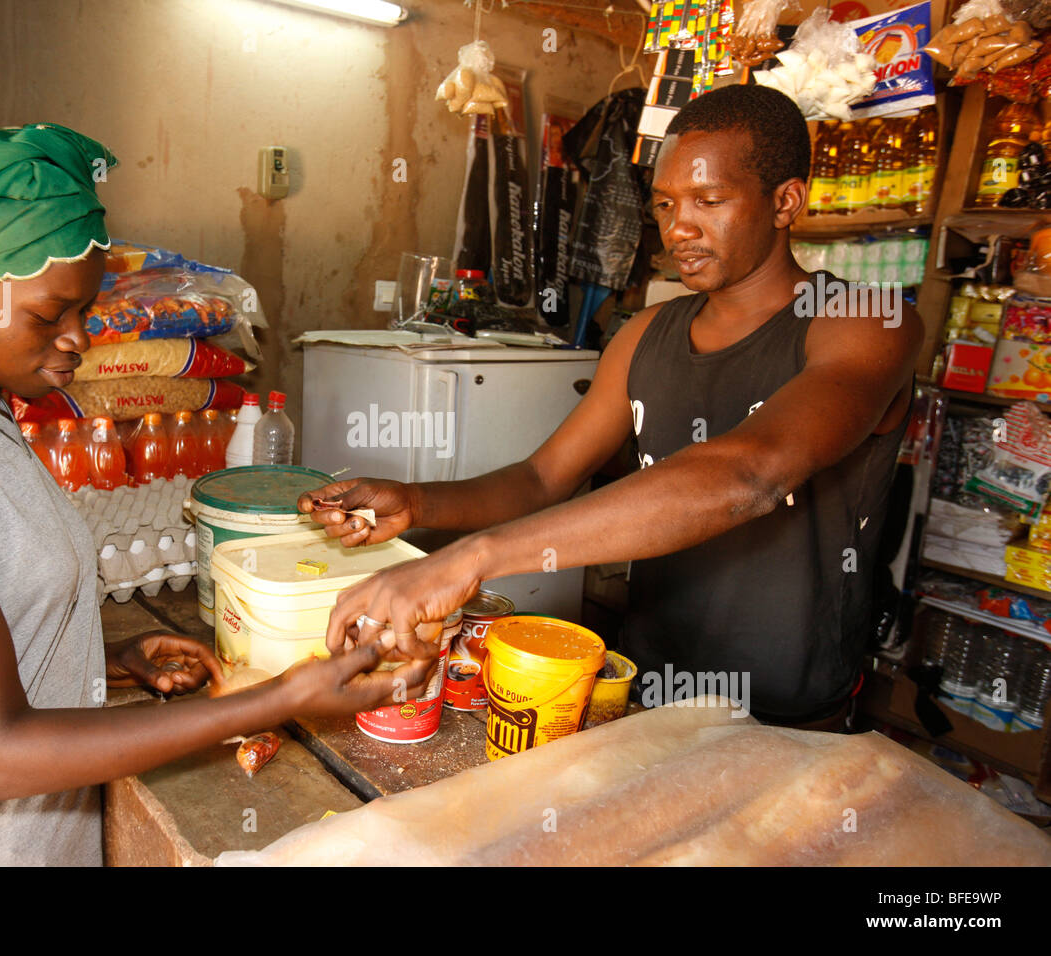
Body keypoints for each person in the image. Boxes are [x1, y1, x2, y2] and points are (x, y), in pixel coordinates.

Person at [0, 122, 431, 866]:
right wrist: (280, 698)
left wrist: (95, 658)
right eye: (47, 314)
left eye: (84, 312)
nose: (77, 340)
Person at [299, 85, 923, 731]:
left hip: (787, 716)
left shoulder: (865, 322)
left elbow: (751, 475)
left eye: (709, 201)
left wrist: (471, 558)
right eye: (664, 204)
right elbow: (543, 478)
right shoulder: (643, 335)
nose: (678, 227)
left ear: (786, 200)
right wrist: (417, 502)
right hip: (648, 689)